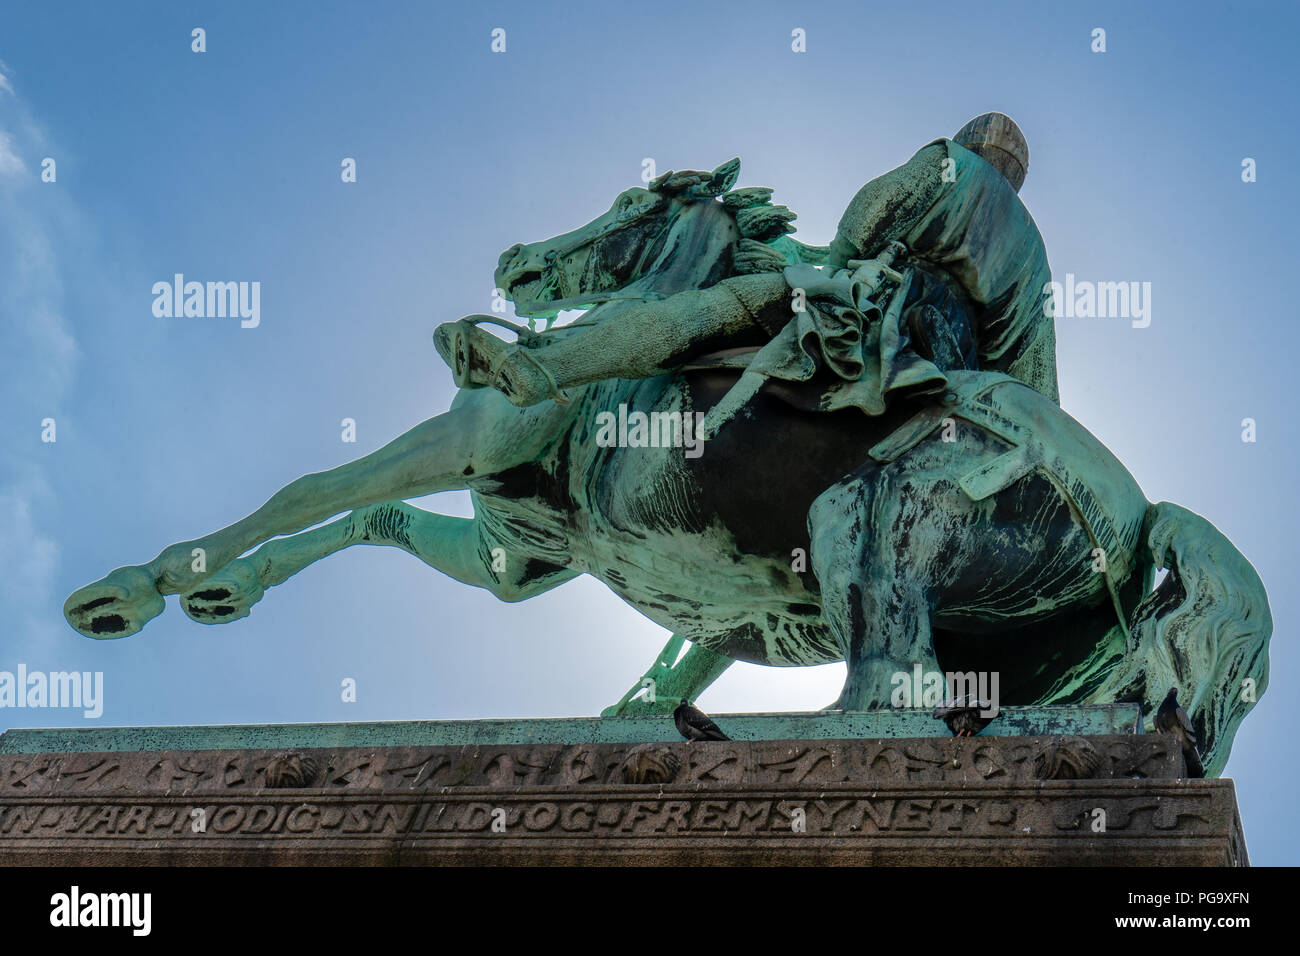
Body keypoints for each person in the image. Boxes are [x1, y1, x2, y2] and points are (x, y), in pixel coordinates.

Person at [433, 112, 1057, 420]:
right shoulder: (1036, 263)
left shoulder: (956, 166)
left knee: (704, 313)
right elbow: (1038, 393)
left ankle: (537, 367)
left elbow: (872, 213)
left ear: (973, 143)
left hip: (881, 307)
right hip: (949, 385)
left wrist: (834, 266)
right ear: (1019, 179)